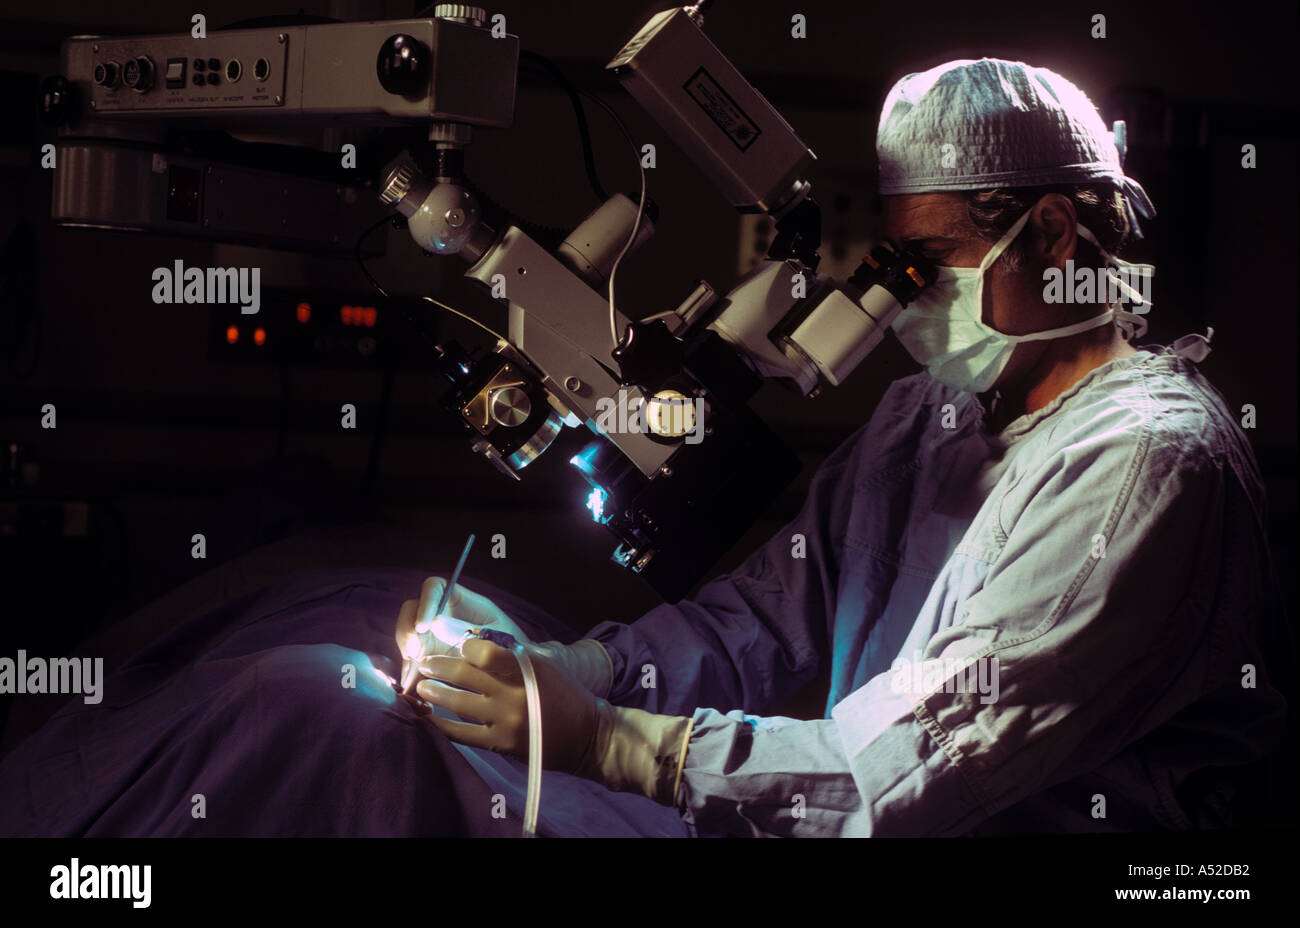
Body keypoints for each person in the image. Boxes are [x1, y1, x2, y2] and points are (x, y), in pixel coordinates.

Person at [399, 58, 1290, 836]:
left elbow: (926, 762)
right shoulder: (923, 416)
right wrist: (576, 667)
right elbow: (768, 617)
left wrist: (609, 741)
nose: (904, 293)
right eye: (892, 266)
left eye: (927, 260)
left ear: (1052, 235)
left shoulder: (1145, 466)